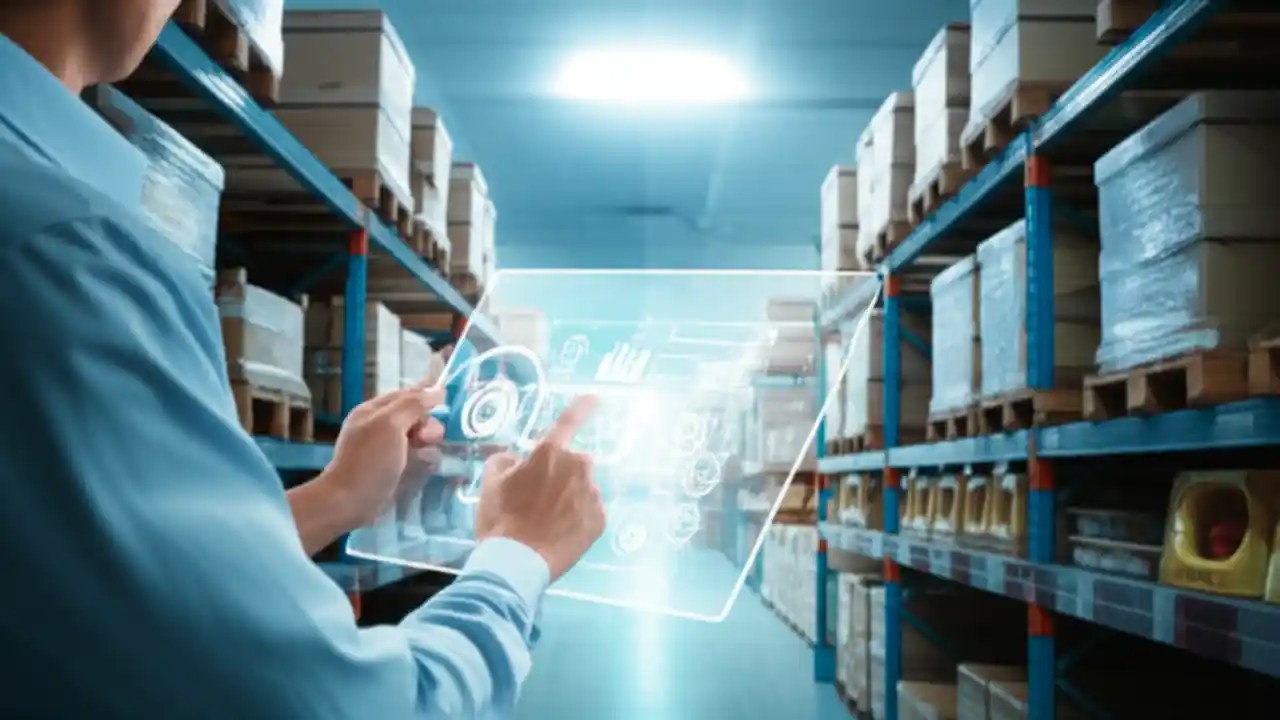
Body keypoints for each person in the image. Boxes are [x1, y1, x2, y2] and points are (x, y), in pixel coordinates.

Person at [0, 1, 606, 717]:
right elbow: (348, 706)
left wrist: (339, 496)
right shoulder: (65, 255)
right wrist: (518, 552)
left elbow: (90, 568)